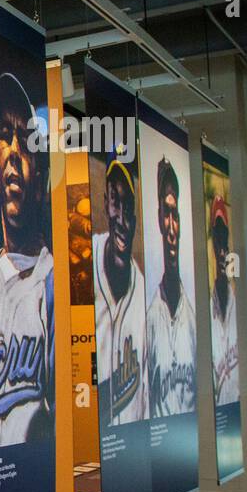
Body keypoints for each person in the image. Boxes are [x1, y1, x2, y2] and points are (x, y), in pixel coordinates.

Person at [0, 72, 53, 449]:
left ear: (39, 173)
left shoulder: (51, 284)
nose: (14, 152)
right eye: (5, 135)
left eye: (26, 140)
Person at [93, 158, 146, 425]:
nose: (122, 219)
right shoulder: (82, 265)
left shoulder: (142, 292)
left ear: (136, 218)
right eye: (116, 201)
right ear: (105, 205)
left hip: (130, 454)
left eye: (128, 206)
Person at [145, 158, 196, 416]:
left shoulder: (194, 319)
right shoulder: (150, 319)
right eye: (167, 214)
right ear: (159, 219)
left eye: (175, 215)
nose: (172, 229)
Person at [208, 196, 238, 406]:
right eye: (217, 240)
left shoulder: (237, 308)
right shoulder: (206, 313)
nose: (221, 251)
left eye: (224, 241)